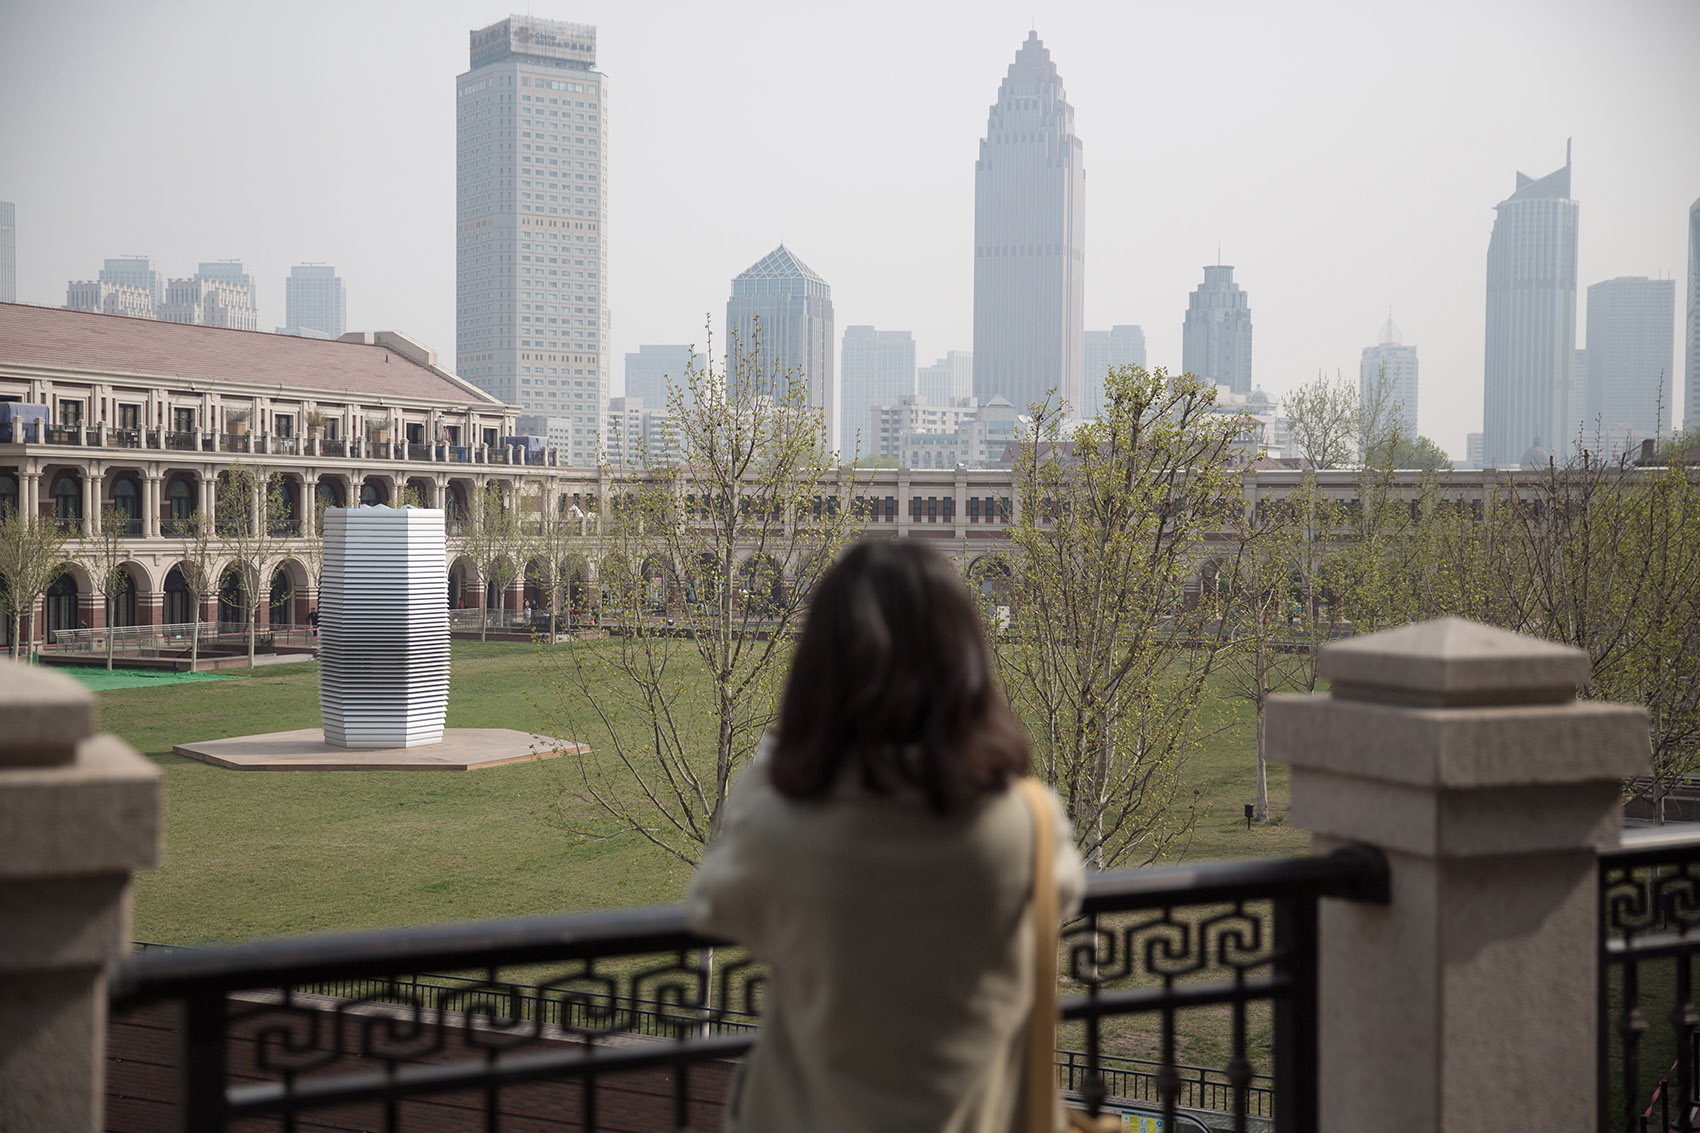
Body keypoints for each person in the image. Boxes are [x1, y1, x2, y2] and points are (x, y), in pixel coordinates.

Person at [688, 539, 1084, 1133]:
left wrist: (774, 761)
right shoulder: (1028, 822)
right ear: (968, 661)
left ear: (822, 668)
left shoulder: (784, 825)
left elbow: (715, 906)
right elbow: (1065, 894)